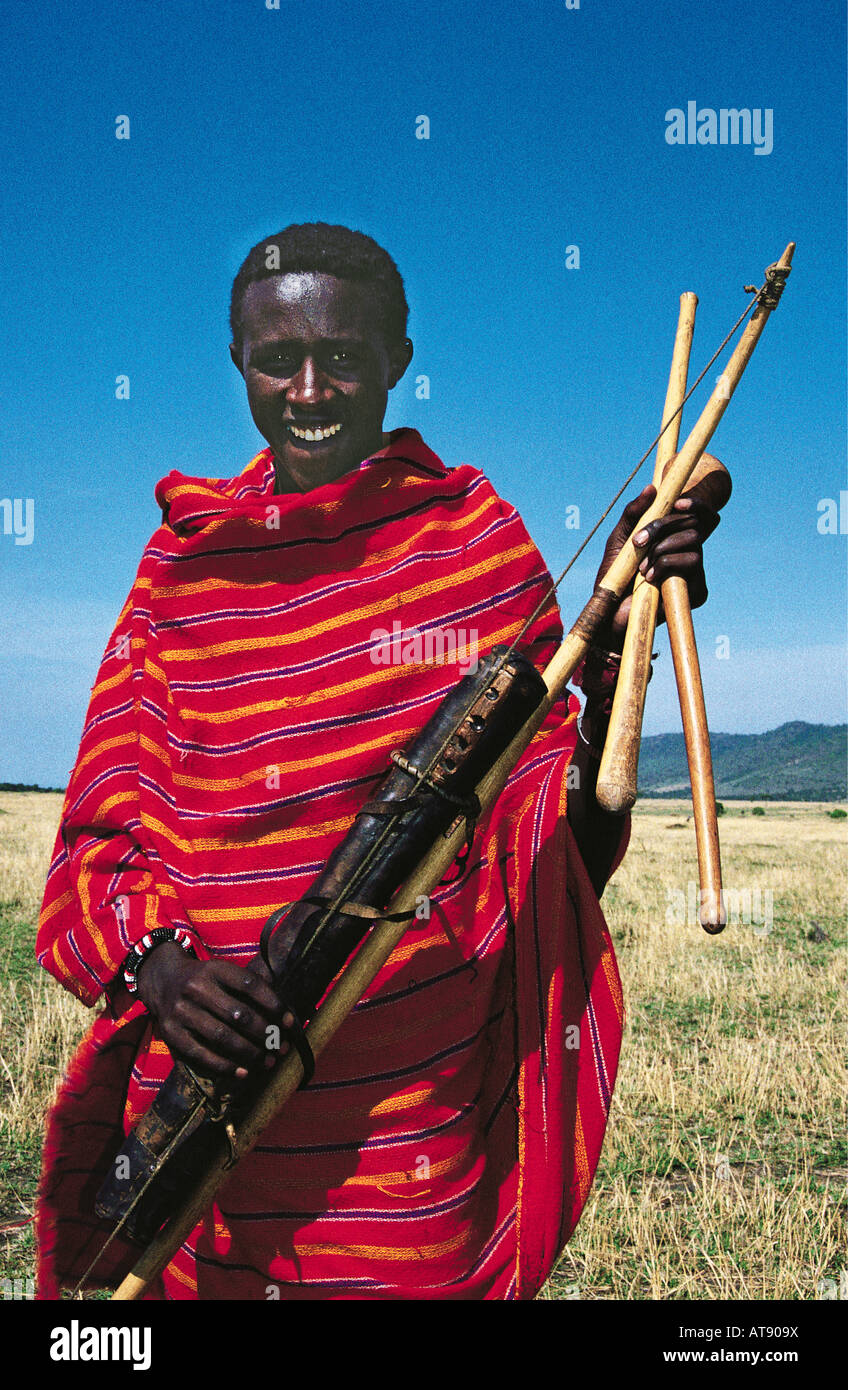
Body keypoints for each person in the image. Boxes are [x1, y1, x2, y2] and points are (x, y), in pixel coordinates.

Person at [35, 223, 722, 1300]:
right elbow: (94, 844)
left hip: (405, 1134)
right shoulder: (183, 570)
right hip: (207, 1119)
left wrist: (622, 635)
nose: (310, 390)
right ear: (236, 362)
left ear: (399, 358)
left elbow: (557, 844)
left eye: (344, 358)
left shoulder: (470, 542)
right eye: (276, 359)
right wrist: (166, 977)